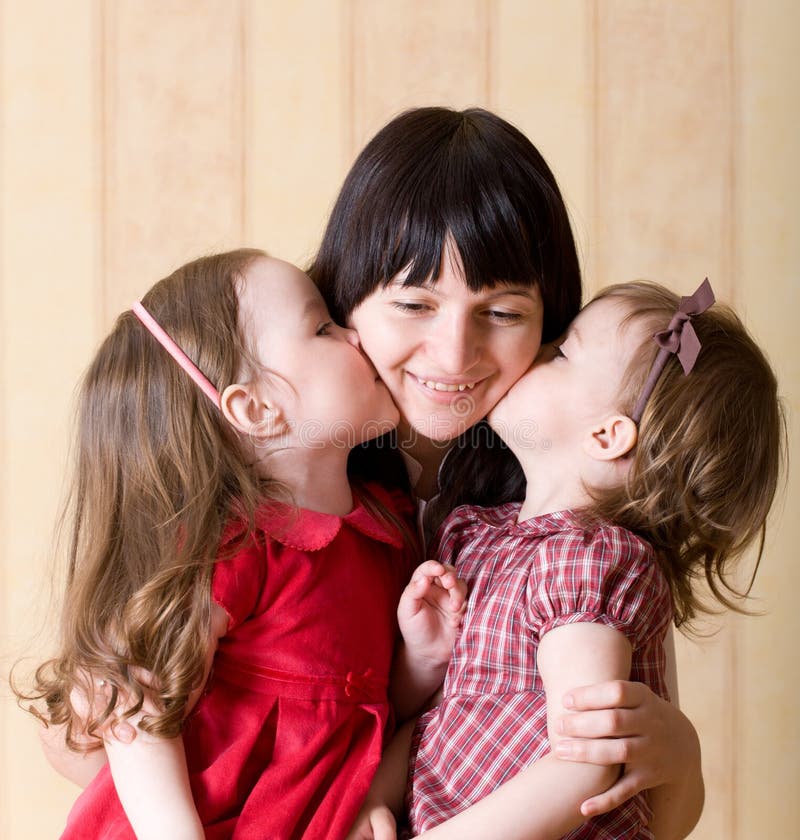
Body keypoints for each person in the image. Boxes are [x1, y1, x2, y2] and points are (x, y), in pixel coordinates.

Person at [309, 106, 705, 825]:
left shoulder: (571, 513)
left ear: (551, 324)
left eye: (503, 313)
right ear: (346, 296)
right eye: (413, 303)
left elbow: (641, 804)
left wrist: (679, 760)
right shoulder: (284, 461)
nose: (454, 355)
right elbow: (86, 733)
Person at [17, 250, 467, 839]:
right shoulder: (234, 548)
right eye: (324, 328)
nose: (357, 335)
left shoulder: (384, 531)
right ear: (255, 408)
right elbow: (134, 699)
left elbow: (361, 702)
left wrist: (421, 661)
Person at [348, 278, 785, 839]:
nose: (536, 358)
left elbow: (586, 762)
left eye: (561, 354)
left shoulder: (587, 558)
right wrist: (373, 796)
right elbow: (443, 715)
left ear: (606, 435)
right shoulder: (485, 538)